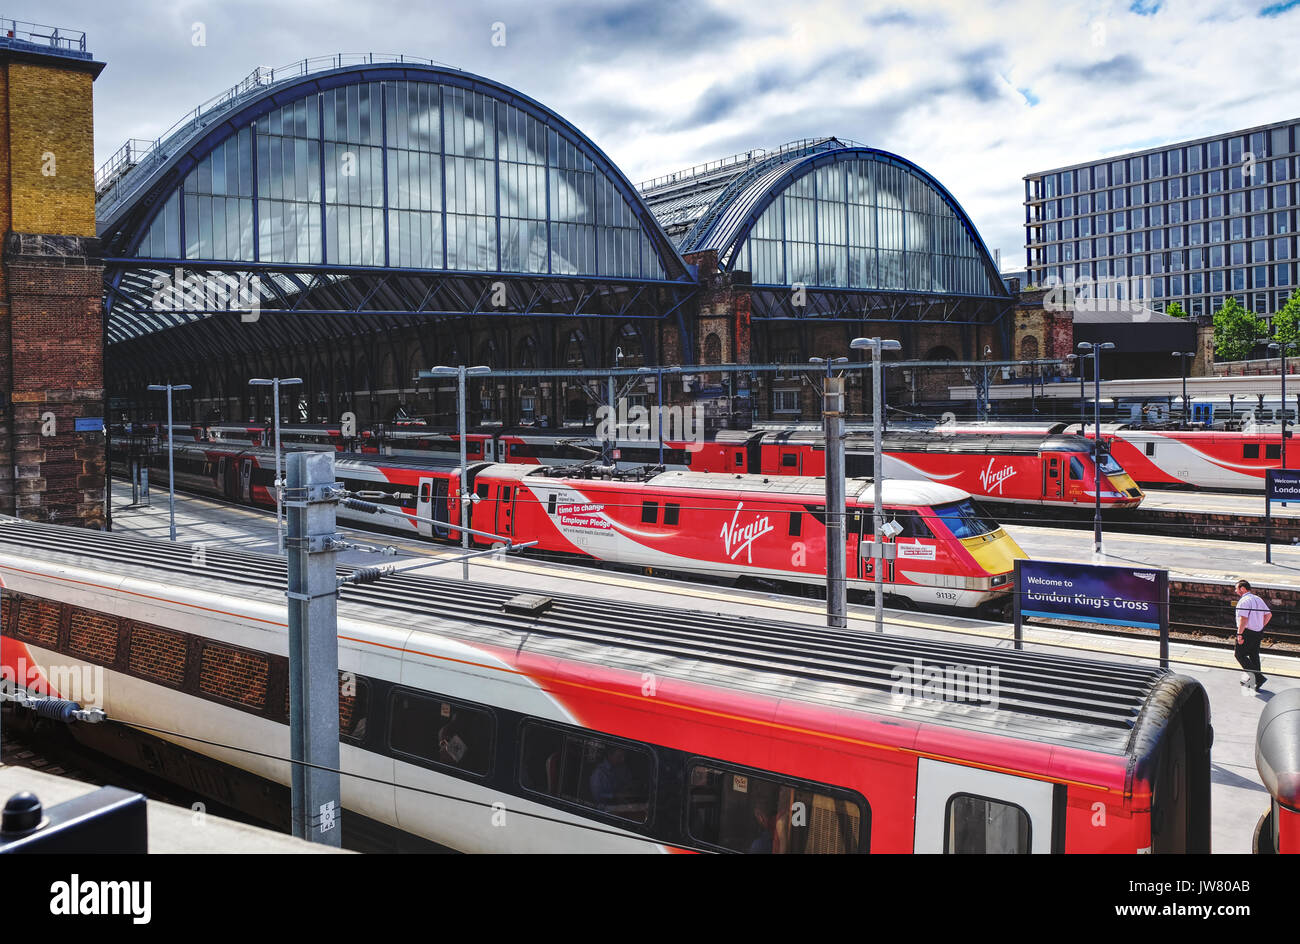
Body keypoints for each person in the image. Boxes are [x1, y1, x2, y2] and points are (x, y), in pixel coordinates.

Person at [1233, 579, 1271, 689]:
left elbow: (1243, 619)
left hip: (1247, 632)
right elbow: (1268, 615)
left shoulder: (1244, 601)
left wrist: (1239, 634)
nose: (1235, 591)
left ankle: (1258, 677)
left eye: (1236, 589)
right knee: (1254, 655)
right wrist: (1260, 625)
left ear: (1243, 589)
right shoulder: (1258, 599)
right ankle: (1256, 681)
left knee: (1239, 655)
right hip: (1258, 632)